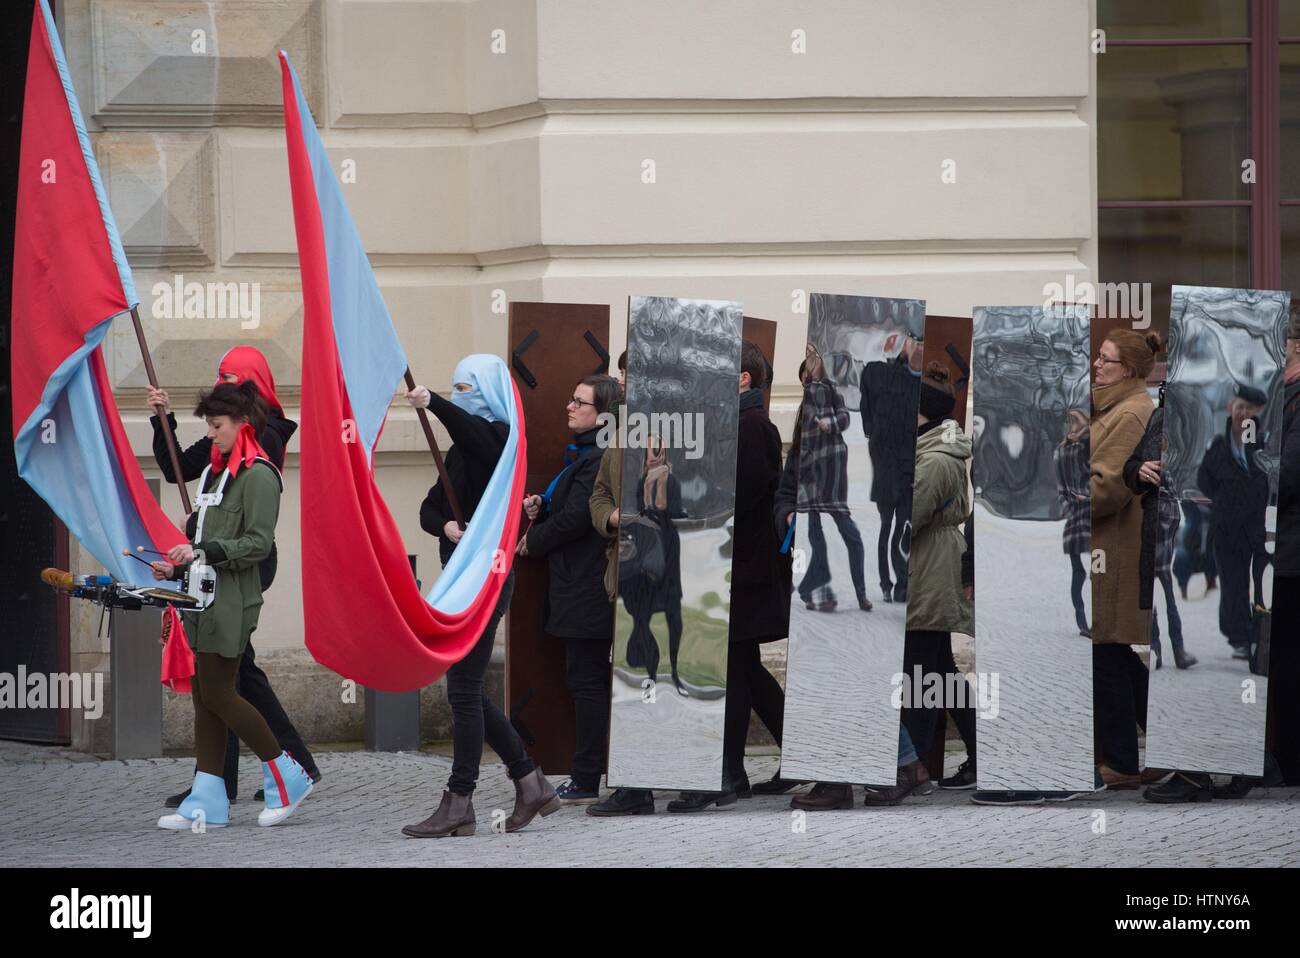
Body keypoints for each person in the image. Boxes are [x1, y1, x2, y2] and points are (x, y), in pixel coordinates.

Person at [146, 347, 319, 808]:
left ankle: (271, 771)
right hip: (211, 562)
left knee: (225, 676)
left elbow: (253, 533)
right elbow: (178, 468)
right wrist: (163, 420)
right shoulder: (223, 436)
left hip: (242, 566)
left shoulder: (268, 439)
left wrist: (204, 543)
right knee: (229, 676)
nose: (213, 430)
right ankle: (225, 782)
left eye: (233, 382)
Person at [400, 356, 556, 838]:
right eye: (453, 387)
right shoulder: (460, 449)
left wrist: (438, 404)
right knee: (467, 688)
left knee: (463, 689)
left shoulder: (501, 441)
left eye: (466, 387)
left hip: (489, 578)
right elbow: (430, 506)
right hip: (459, 575)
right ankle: (530, 783)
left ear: (487, 391)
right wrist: (444, 524)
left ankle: (461, 800)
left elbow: (477, 436)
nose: (458, 393)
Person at [667, 341, 792, 812]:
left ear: (743, 378)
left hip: (743, 570)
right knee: (742, 669)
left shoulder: (753, 426)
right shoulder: (732, 425)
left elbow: (739, 494)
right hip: (731, 568)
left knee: (735, 669)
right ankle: (750, 766)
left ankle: (726, 771)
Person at [865, 363, 972, 806]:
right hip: (924, 569)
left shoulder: (936, 458)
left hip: (929, 572)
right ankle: (984, 749)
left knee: (923, 676)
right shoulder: (925, 450)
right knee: (939, 670)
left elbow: (908, 511)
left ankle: (914, 769)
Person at [518, 374, 621, 804]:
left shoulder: (598, 455)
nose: (569, 406)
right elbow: (570, 504)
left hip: (589, 586)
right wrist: (544, 503)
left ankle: (585, 778)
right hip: (577, 583)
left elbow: (579, 516)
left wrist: (532, 541)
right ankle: (587, 774)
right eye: (572, 398)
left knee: (586, 680)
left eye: (580, 402)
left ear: (603, 415)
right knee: (585, 678)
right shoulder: (583, 453)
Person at [1089, 329, 1160, 792]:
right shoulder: (1112, 406)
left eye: (1106, 361)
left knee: (1106, 650)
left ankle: (1121, 762)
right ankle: (1160, 745)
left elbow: (1109, 485)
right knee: (1112, 651)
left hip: (1111, 548)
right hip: (1100, 546)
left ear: (1129, 371)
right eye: (1098, 357)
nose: (1097, 365)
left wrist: (1062, 494)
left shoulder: (1133, 411)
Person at [794, 348, 871, 612]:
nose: (812, 368)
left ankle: (860, 593)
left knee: (850, 532)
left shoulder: (830, 388)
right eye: (807, 367)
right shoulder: (806, 397)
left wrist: (830, 423)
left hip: (833, 466)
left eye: (813, 363)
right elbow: (800, 438)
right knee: (816, 536)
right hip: (811, 470)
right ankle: (813, 588)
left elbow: (845, 416)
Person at [1197, 385, 1270, 659]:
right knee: (1234, 584)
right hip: (1227, 528)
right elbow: (1204, 479)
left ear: (1258, 411)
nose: (1244, 413)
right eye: (1240, 407)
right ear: (1231, 408)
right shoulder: (1217, 444)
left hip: (1257, 527)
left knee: (1263, 582)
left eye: (1250, 409)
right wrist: (1222, 499)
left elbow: (1263, 475)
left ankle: (1261, 634)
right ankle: (1239, 637)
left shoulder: (1263, 442)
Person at [1123, 397, 1196, 670]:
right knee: (1159, 587)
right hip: (1160, 516)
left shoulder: (1184, 430)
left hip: (1167, 517)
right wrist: (1139, 471)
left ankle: (1168, 649)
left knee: (1162, 587)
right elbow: (1132, 467)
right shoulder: (1161, 424)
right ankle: (1163, 649)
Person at [860, 335, 923, 603]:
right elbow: (868, 413)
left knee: (900, 527)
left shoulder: (910, 382)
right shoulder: (878, 375)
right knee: (890, 527)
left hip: (903, 468)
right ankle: (889, 582)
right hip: (890, 469)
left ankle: (898, 583)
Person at [1054, 409, 1092, 637]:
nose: (1073, 428)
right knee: (1079, 572)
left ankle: (1098, 620)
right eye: (1071, 424)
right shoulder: (1061, 452)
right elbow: (1060, 486)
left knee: (1099, 569)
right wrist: (1068, 507)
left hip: (1094, 512)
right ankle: (1082, 623)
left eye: (1078, 424)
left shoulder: (1090, 447)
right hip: (1077, 516)